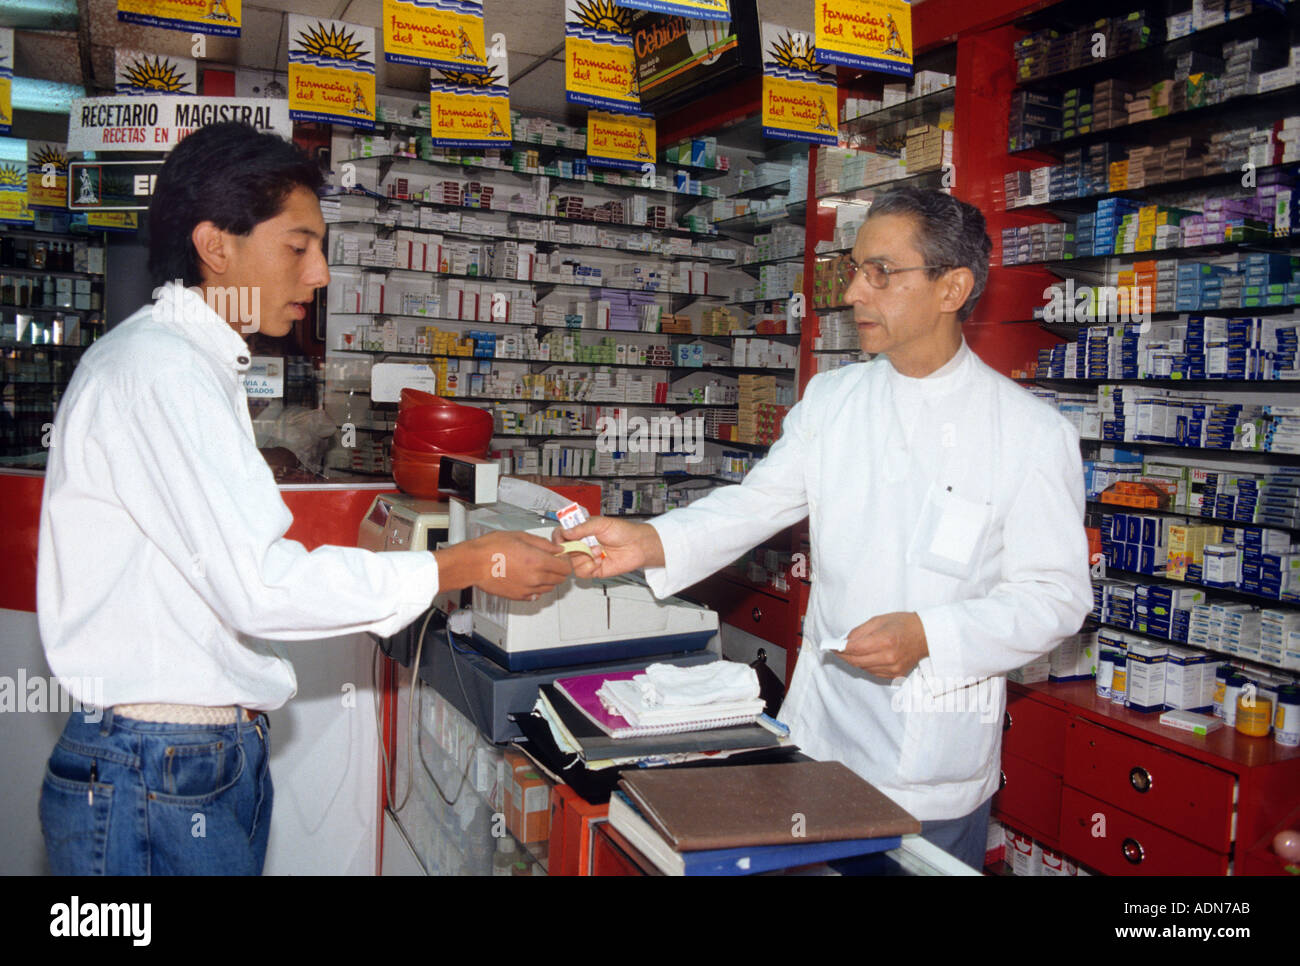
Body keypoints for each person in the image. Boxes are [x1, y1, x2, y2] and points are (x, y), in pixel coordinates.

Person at [36, 122, 572, 875]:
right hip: (157, 777)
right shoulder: (161, 372)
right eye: (298, 246)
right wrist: (465, 564)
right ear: (215, 246)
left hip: (181, 766)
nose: (319, 274)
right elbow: (262, 584)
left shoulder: (188, 364)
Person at [557, 188, 1093, 869]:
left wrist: (931, 636)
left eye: (881, 272)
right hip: (822, 733)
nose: (852, 293)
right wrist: (652, 540)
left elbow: (1057, 597)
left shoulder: (1029, 434)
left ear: (952, 286)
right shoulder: (834, 400)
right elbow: (756, 505)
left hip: (928, 755)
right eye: (853, 269)